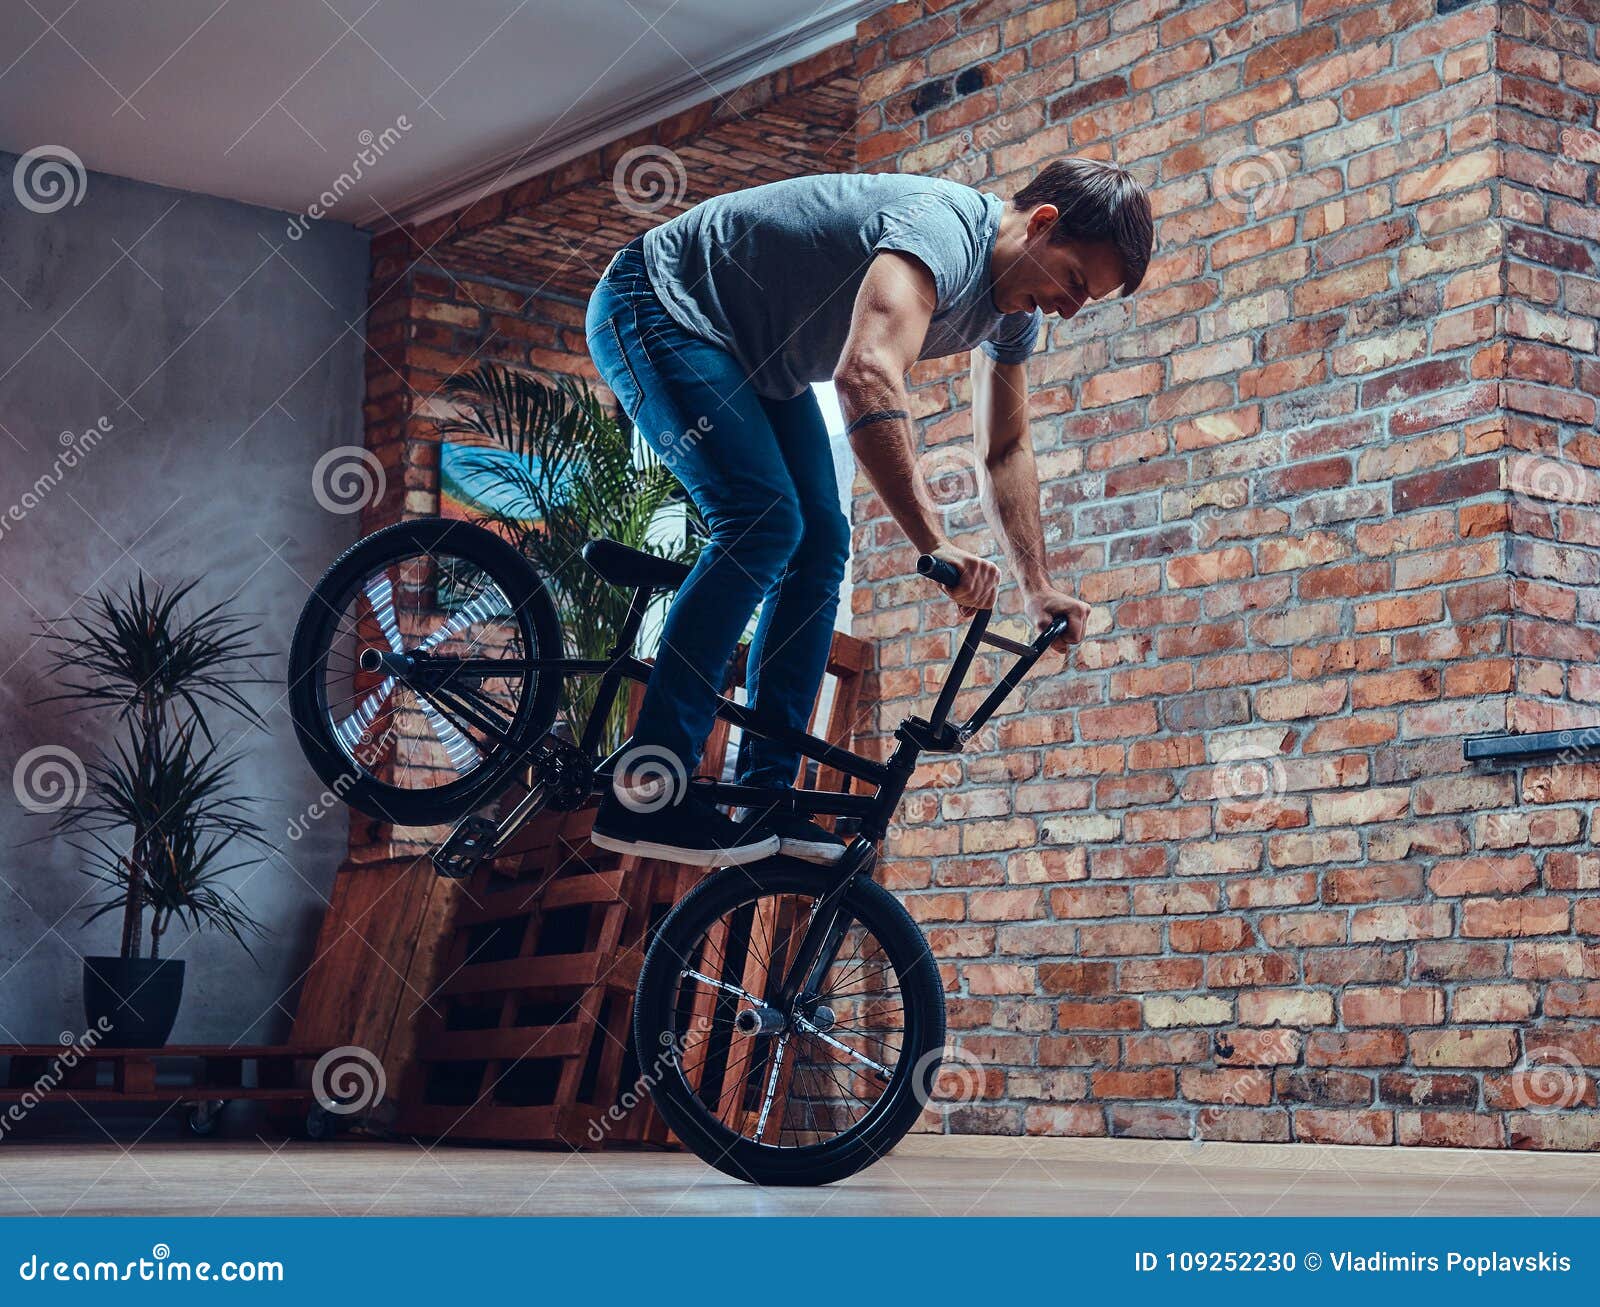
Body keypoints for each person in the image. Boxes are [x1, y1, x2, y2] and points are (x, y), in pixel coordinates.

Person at [584, 157, 1153, 868]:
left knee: (820, 541)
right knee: (763, 522)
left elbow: (1005, 446)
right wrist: (934, 540)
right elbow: (864, 373)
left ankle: (765, 797)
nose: (1067, 309)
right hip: (657, 304)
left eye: (1084, 302)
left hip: (757, 364)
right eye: (1073, 282)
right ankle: (647, 789)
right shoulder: (941, 233)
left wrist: (1036, 583)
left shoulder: (1011, 318)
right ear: (1042, 224)